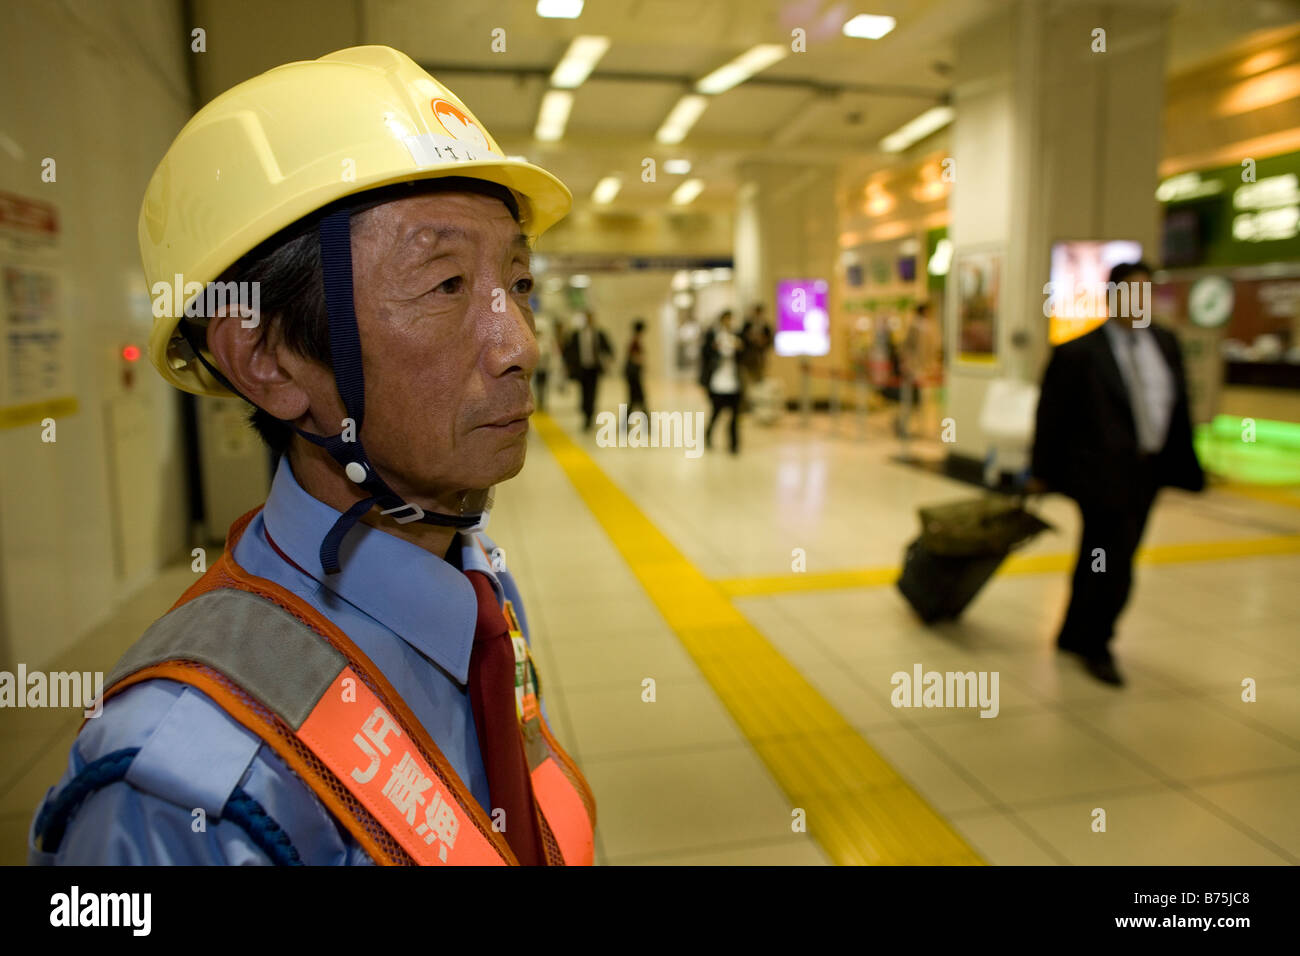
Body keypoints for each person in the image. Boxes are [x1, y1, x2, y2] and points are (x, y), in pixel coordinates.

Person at [29, 47, 595, 866]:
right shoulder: (184, 795)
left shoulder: (476, 585)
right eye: (445, 285)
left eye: (518, 281)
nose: (521, 344)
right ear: (269, 360)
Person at [1030, 260, 1205, 687]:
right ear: (1111, 298)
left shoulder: (1164, 343)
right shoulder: (1079, 353)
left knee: (1106, 555)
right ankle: (1097, 641)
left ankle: (1075, 633)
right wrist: (1041, 471)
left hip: (1148, 472)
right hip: (1100, 476)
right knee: (1111, 558)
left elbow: (1177, 407)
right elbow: (1052, 417)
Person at [700, 310, 747, 453]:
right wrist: (715, 348)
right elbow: (705, 354)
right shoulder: (713, 335)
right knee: (716, 412)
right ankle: (707, 435)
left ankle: (734, 444)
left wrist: (740, 347)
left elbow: (744, 355)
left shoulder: (736, 336)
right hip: (718, 381)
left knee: (735, 415)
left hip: (733, 381)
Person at [563, 311, 613, 431]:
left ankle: (589, 416)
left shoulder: (599, 334)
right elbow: (569, 351)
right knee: (584, 392)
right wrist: (569, 366)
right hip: (582, 369)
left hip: (594, 369)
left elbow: (609, 348)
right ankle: (585, 412)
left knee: (593, 392)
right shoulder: (576, 334)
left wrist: (607, 359)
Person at [624, 318, 648, 420]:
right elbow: (634, 357)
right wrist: (641, 360)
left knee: (634, 400)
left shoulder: (635, 341)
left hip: (633, 374)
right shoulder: (635, 342)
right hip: (633, 375)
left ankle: (624, 424)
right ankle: (647, 422)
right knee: (638, 399)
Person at [533, 312, 556, 413]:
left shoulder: (547, 343)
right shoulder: (533, 342)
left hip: (545, 369)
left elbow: (551, 355)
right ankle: (538, 402)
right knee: (537, 387)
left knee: (545, 387)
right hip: (536, 370)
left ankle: (543, 403)